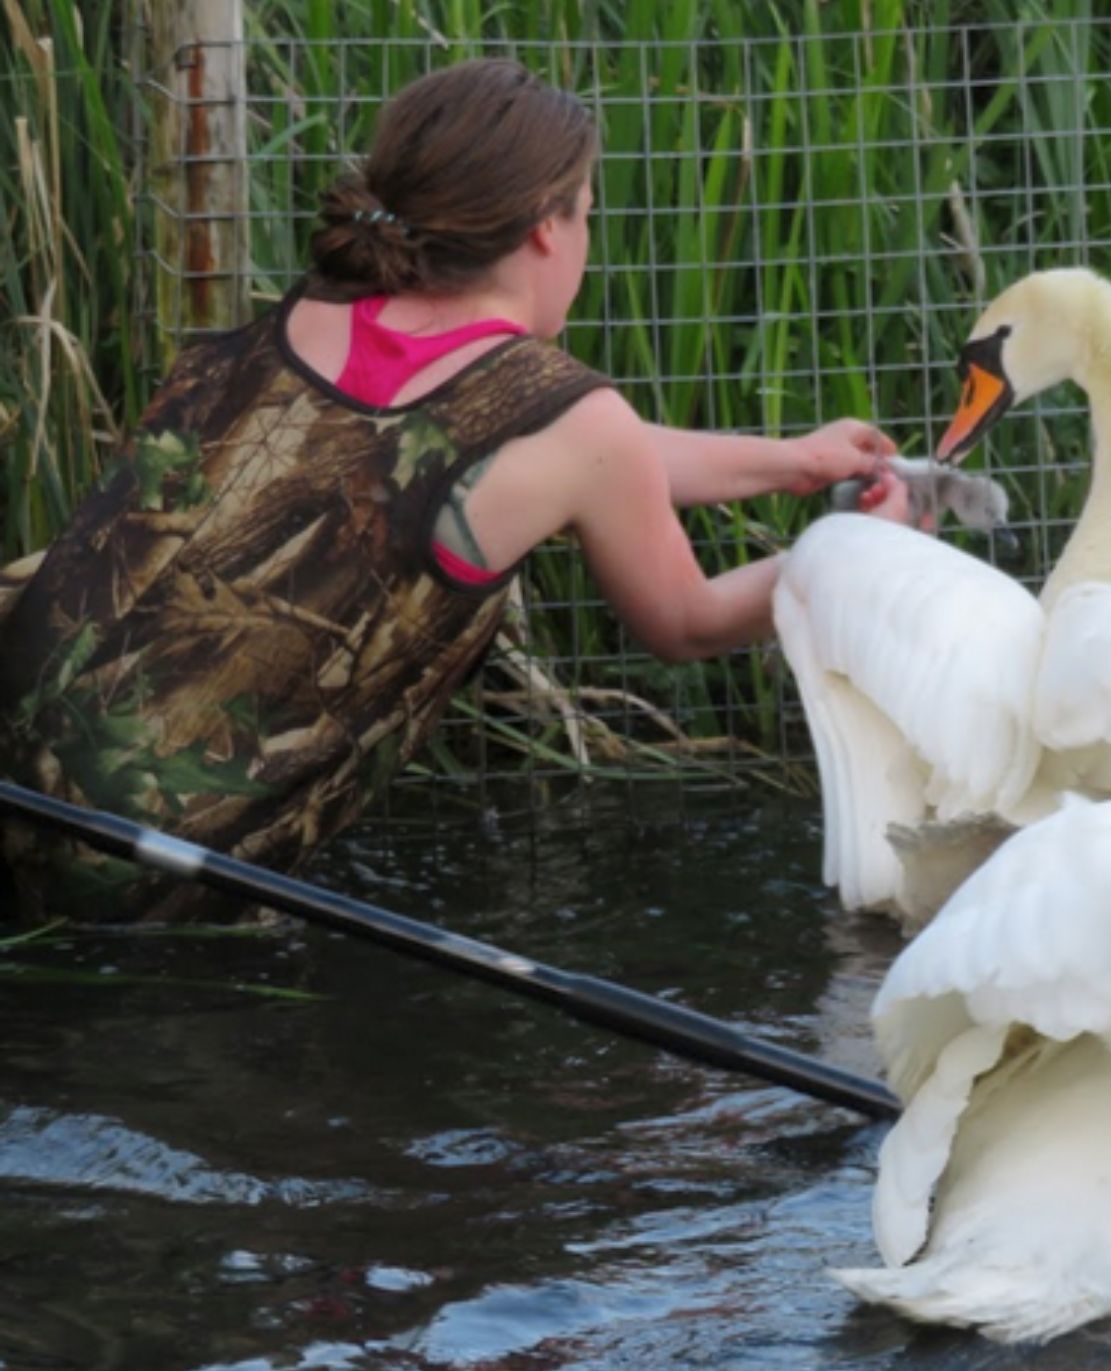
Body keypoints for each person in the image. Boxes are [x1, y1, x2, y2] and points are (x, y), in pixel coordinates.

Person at [0, 58, 912, 925]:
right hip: (135, 884)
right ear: (548, 228)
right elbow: (686, 621)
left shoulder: (306, 319)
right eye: (587, 213)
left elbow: (547, 457)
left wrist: (793, 462)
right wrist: (866, 557)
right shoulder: (572, 425)